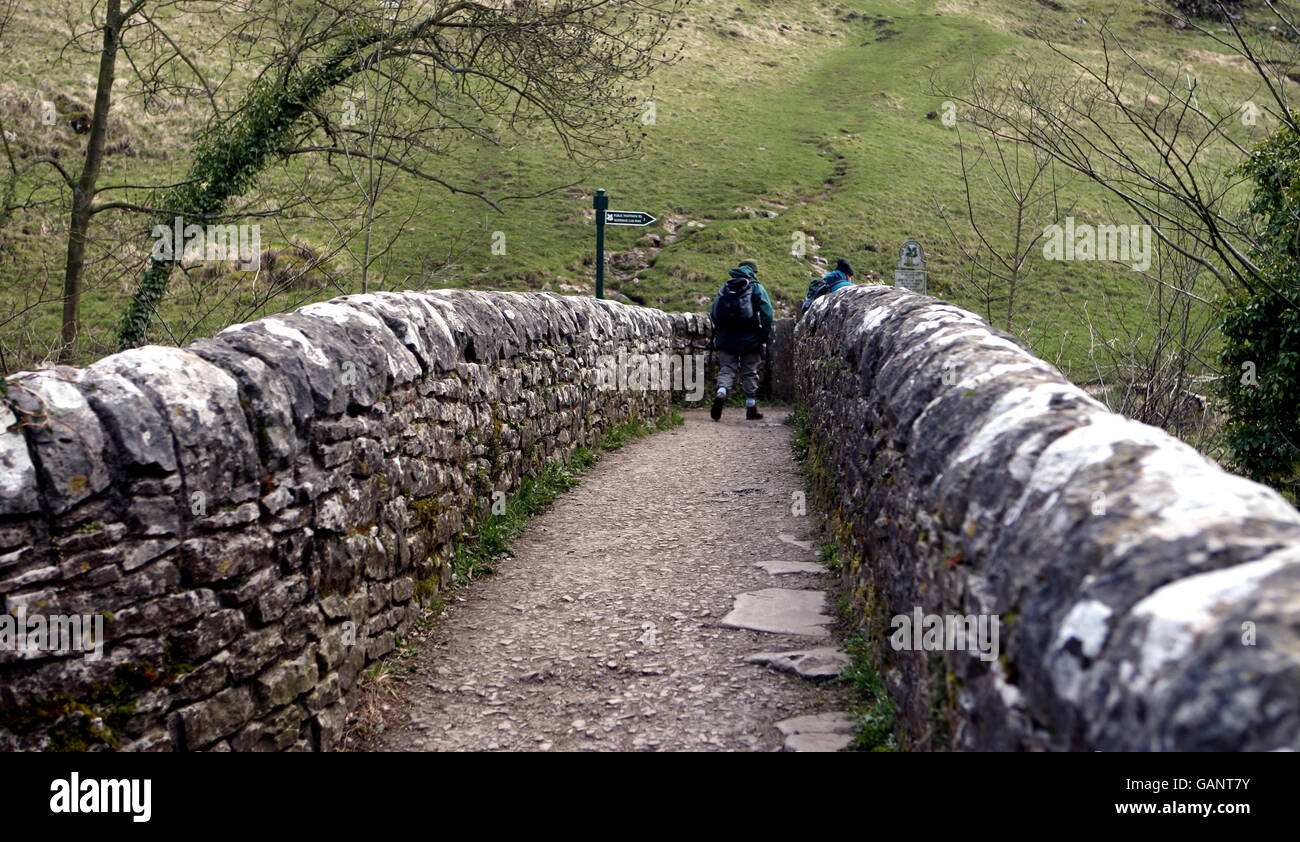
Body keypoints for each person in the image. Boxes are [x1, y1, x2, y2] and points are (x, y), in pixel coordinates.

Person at [709, 258, 774, 421]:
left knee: (727, 369)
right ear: (754, 272)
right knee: (750, 372)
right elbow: (768, 314)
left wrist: (722, 332)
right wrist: (763, 336)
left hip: (726, 339)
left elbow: (713, 313)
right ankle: (751, 407)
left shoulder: (726, 287)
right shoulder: (756, 288)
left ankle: (721, 393)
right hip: (750, 339)